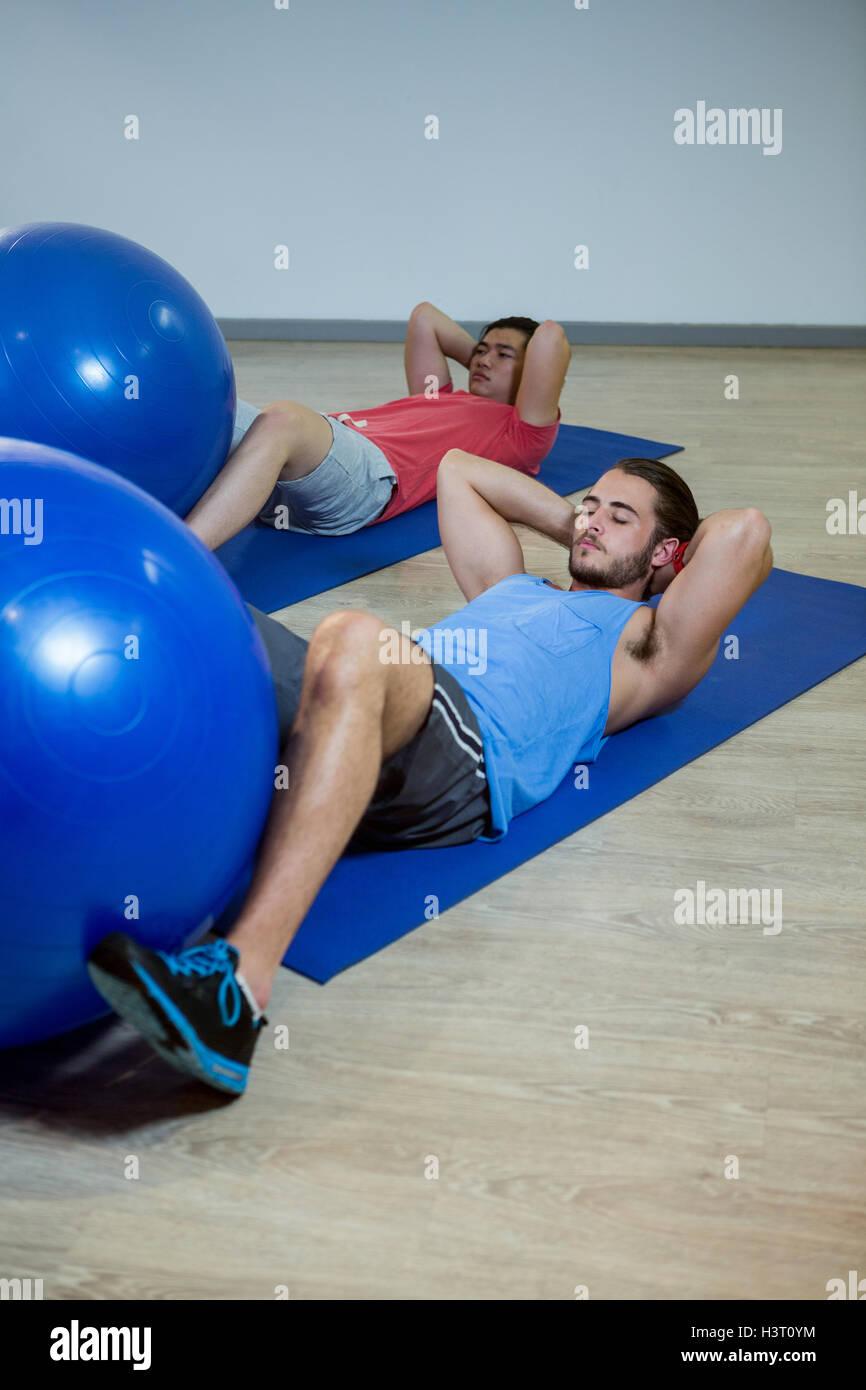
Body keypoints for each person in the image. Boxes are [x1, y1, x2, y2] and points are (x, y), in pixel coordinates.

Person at [88, 452, 772, 1096]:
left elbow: (745, 534)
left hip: (462, 758)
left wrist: (657, 556)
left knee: (355, 636)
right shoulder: (509, 587)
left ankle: (238, 989)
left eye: (619, 515)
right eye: (588, 505)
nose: (592, 519)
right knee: (196, 607)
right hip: (364, 703)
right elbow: (458, 472)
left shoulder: (646, 644)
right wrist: (587, 528)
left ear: (666, 552)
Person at [184, 304, 569, 550]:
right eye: (480, 351)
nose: (483, 359)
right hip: (311, 466)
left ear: (532, 370)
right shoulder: (439, 393)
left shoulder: (520, 434)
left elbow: (551, 336)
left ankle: (182, 552)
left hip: (368, 480)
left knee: (284, 418)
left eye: (504, 355)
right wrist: (490, 363)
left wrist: (516, 384)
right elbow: (425, 317)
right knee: (206, 407)